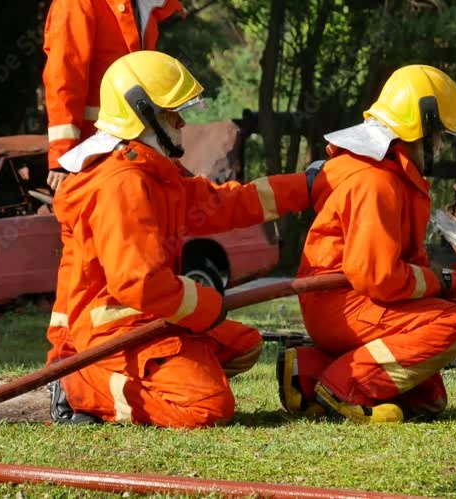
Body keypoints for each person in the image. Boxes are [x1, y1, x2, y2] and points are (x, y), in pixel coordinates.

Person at [46, 51, 318, 428]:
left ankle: (176, 369)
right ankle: (78, 385)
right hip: (114, 333)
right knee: (209, 407)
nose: (182, 121)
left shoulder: (155, 175)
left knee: (245, 344)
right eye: (172, 112)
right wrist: (203, 305)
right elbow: (138, 284)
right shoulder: (123, 185)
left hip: (146, 320)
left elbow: (225, 203)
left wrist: (305, 188)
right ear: (143, 114)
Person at [276, 65, 456, 424]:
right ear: (423, 128)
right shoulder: (377, 183)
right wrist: (439, 284)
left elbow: (402, 267)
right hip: (345, 305)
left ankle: (307, 373)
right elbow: (379, 277)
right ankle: (344, 389)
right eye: (439, 136)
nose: (441, 145)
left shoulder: (394, 179)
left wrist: (444, 291)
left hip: (345, 304)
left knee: (427, 399)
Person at [43, 0, 183, 192]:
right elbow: (64, 80)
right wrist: (63, 158)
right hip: (92, 149)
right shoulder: (78, 0)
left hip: (128, 145)